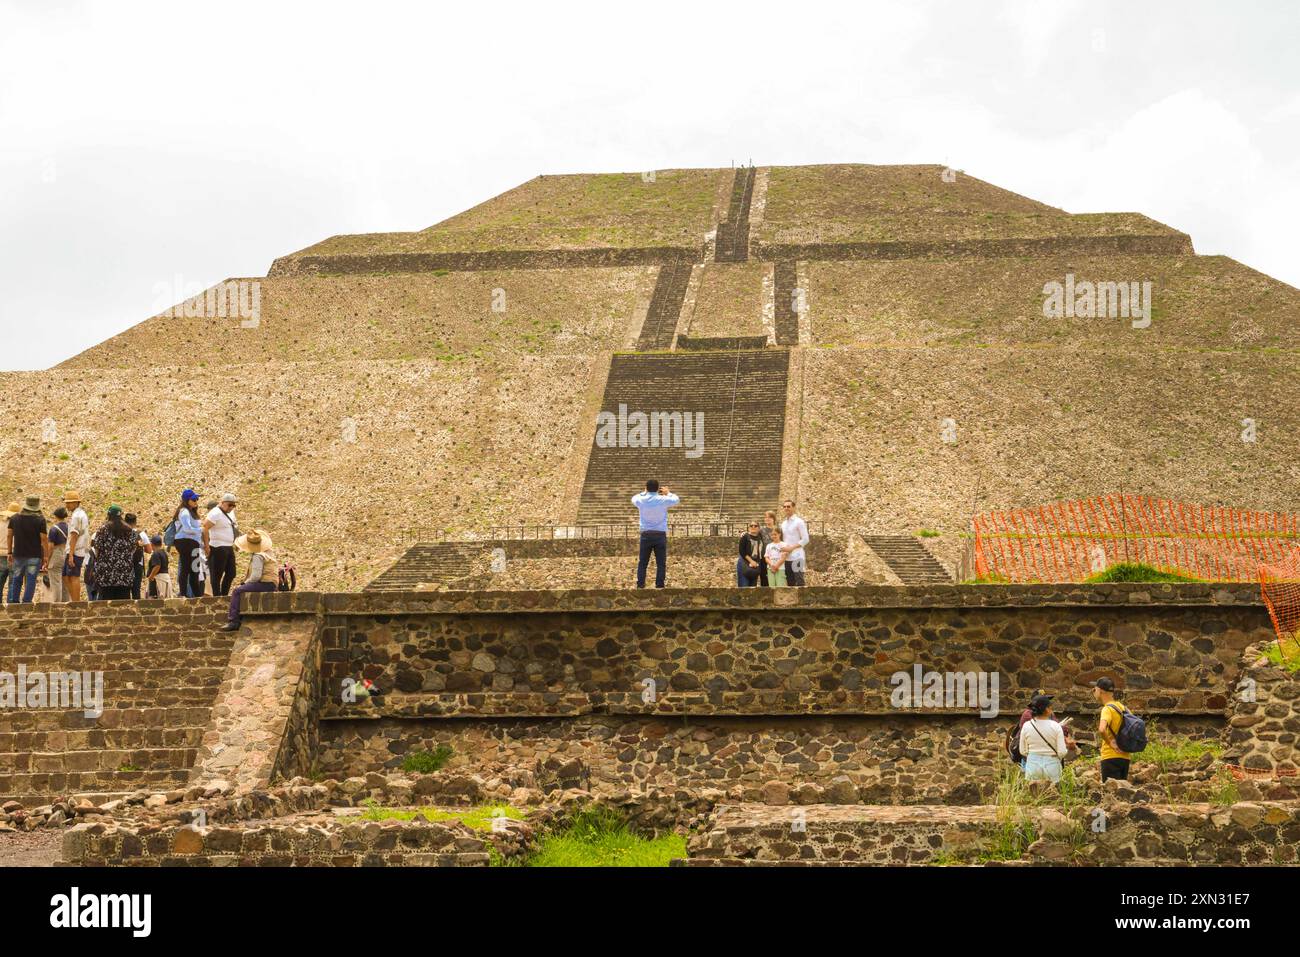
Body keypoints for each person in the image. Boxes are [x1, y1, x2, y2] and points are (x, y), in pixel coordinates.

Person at [221, 528, 279, 631]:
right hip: (271, 583)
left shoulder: (258, 556)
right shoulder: (268, 552)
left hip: (265, 583)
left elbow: (256, 576)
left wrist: (245, 583)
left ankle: (233, 620)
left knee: (237, 591)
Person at [631, 479, 678, 588]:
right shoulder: (663, 499)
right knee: (661, 562)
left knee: (643, 562)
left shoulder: (641, 500)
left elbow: (633, 498)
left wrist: (644, 492)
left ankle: (640, 584)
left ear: (646, 488)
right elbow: (676, 499)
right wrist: (668, 492)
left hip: (646, 534)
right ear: (658, 489)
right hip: (660, 534)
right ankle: (659, 584)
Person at [1018, 693, 1071, 784]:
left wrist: (1034, 755)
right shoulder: (1055, 726)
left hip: (1033, 764)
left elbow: (1022, 751)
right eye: (1050, 707)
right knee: (1053, 794)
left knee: (1034, 795)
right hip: (1052, 764)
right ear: (1047, 709)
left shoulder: (1027, 726)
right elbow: (1062, 752)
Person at [6, 495, 50, 604]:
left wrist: (9, 552)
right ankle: (27, 602)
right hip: (34, 555)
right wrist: (46, 556)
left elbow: (9, 535)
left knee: (16, 578)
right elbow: (44, 539)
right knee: (31, 579)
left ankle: (14, 602)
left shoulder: (14, 518)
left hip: (18, 554)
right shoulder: (40, 520)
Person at [89, 505, 138, 600]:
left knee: (107, 601)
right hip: (125, 573)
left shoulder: (103, 529)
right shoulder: (129, 530)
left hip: (106, 573)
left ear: (109, 515)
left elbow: (97, 548)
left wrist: (100, 562)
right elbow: (133, 548)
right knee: (124, 601)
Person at [1093, 677, 1132, 782]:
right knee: (1123, 793)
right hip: (1125, 757)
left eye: (1094, 689)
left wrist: (1110, 743)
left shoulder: (1107, 709)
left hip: (1110, 756)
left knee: (1111, 793)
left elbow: (1101, 729)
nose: (1093, 692)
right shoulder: (1122, 707)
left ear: (1101, 691)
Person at [203, 492, 239, 596]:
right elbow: (205, 527)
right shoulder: (215, 513)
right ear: (222, 503)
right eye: (229, 505)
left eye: (233, 505)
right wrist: (206, 545)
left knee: (231, 573)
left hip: (228, 546)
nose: (231, 507)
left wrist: (236, 542)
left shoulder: (231, 513)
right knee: (216, 575)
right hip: (217, 546)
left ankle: (223, 594)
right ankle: (217, 596)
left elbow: (234, 527)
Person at [172, 489, 206, 598]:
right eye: (194, 499)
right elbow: (187, 529)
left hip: (194, 543)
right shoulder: (184, 512)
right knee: (186, 568)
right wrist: (201, 530)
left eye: (197, 499)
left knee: (194, 569)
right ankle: (183, 593)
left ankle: (196, 595)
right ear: (187, 500)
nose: (196, 501)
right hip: (185, 542)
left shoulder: (191, 512)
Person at [62, 491, 91, 602]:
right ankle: (74, 599)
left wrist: (71, 555)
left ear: (75, 503)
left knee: (73, 576)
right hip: (76, 549)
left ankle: (76, 601)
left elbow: (74, 535)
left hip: (75, 550)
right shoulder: (79, 514)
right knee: (66, 575)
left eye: (69, 503)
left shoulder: (77, 516)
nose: (67, 505)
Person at [779, 499, 810, 586]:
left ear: (793, 508)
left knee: (799, 581)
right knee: (790, 582)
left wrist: (791, 548)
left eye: (788, 506)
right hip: (787, 558)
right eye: (784, 507)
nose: (786, 508)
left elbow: (806, 539)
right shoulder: (783, 523)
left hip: (798, 557)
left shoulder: (799, 522)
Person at [125, 513, 152, 600]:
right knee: (136, 591)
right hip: (137, 565)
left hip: (124, 565)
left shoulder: (122, 533)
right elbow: (149, 550)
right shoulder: (141, 534)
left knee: (125, 590)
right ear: (135, 522)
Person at [46, 506, 70, 603]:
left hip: (57, 553)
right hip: (67, 552)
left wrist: (47, 559)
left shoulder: (54, 529)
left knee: (55, 581)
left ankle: (56, 604)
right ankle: (65, 602)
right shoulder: (69, 527)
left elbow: (51, 546)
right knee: (65, 581)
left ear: (56, 516)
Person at [737, 521, 765, 587]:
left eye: (755, 526)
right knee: (744, 586)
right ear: (749, 528)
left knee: (753, 587)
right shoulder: (745, 537)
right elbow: (742, 551)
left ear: (758, 528)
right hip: (745, 563)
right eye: (751, 525)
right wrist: (751, 561)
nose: (753, 527)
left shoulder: (760, 538)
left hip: (755, 565)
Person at [0, 501, 17, 604]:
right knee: (13, 582)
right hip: (13, 555)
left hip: (0, 554)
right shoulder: (18, 525)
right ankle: (11, 605)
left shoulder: (1, 523)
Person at [146, 534, 173, 598]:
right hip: (165, 578)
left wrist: (151, 576)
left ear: (152, 544)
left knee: (155, 602)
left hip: (158, 579)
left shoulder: (156, 553)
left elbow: (157, 566)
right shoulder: (164, 553)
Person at [757, 510, 779, 587]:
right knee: (764, 579)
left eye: (769, 517)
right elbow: (753, 537)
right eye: (765, 517)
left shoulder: (778, 529)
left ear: (774, 519)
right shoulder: (761, 530)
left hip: (776, 557)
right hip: (765, 558)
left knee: (777, 579)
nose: (767, 519)